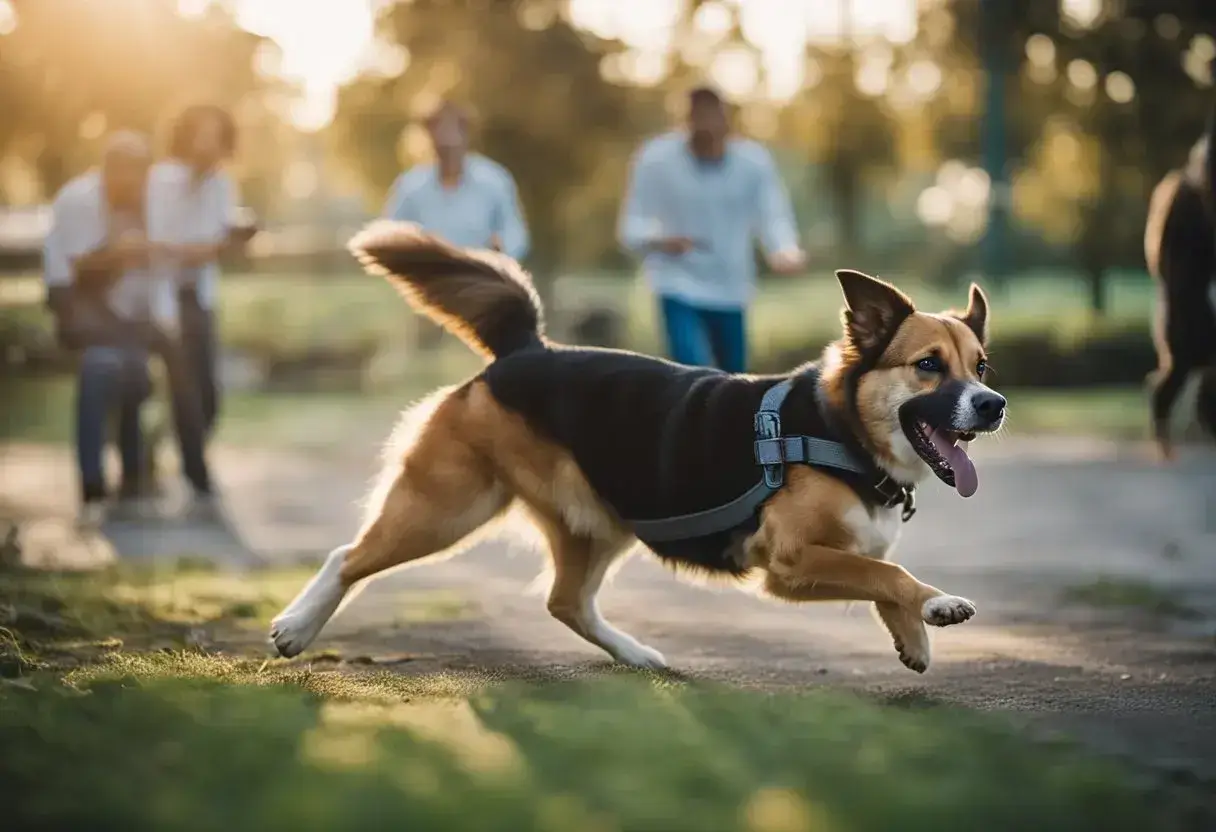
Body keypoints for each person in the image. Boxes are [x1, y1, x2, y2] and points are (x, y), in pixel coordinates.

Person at [43, 131, 212, 526]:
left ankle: (191, 472)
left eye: (138, 175)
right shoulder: (78, 199)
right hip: (78, 300)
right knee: (105, 367)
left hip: (133, 313)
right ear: (106, 170)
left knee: (173, 366)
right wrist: (120, 253)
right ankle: (96, 481)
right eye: (123, 175)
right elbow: (72, 268)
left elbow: (163, 262)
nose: (131, 184)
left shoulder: (153, 201)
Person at [618, 85, 806, 373]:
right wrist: (660, 241)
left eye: (713, 118)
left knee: (733, 377)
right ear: (687, 121)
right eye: (699, 119)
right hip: (677, 283)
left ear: (726, 120)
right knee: (691, 371)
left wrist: (784, 250)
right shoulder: (656, 160)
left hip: (731, 285)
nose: (707, 128)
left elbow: (773, 214)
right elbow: (632, 224)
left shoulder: (753, 163)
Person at [147, 103, 243, 443]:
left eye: (215, 137)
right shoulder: (162, 179)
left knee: (207, 396)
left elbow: (221, 238)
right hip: (160, 296)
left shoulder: (221, 184)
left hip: (199, 297)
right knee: (181, 390)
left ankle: (164, 446)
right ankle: (195, 474)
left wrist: (216, 247)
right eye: (201, 136)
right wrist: (204, 249)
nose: (208, 145)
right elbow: (158, 244)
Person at [382, 101, 529, 260]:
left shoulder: (493, 180)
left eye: (453, 128)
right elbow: (389, 235)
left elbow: (516, 234)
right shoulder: (410, 186)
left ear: (466, 132)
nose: (446, 137)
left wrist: (502, 249)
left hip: (479, 277)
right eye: (439, 128)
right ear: (428, 134)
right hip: (426, 279)